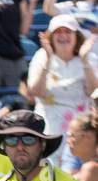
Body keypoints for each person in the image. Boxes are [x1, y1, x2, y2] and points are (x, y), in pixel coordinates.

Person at [26, 15, 98, 168]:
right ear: (51, 36)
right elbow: (34, 91)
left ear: (76, 35)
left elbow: (94, 91)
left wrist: (85, 61)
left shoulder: (90, 58)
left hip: (81, 132)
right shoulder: (41, 56)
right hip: (49, 127)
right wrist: (48, 59)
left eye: (68, 31)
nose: (63, 36)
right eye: (58, 32)